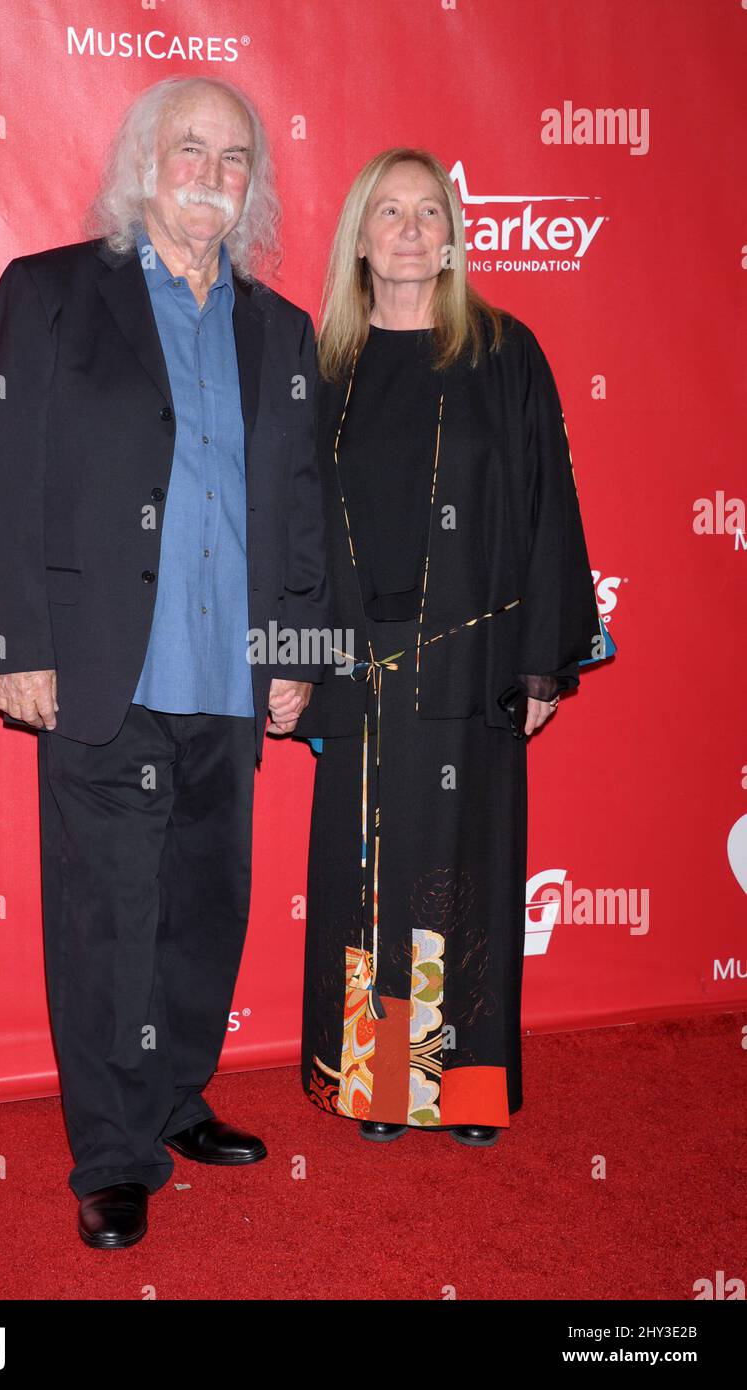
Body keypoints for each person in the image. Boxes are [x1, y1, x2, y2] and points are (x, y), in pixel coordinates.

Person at [0, 76, 329, 1247]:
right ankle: (112, 1154)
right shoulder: (51, 294)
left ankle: (175, 1100)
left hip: (230, 679)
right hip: (102, 671)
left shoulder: (278, 329)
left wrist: (297, 649)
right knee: (108, 918)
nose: (213, 172)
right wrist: (16, 644)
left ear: (252, 185)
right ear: (143, 159)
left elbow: (301, 503)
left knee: (201, 912)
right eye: (191, 147)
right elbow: (4, 473)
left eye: (235, 157)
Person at [293, 148, 601, 1148]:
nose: (412, 229)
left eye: (430, 211)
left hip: (469, 657)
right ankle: (383, 1082)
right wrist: (288, 656)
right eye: (390, 210)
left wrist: (539, 661)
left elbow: (547, 509)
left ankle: (463, 1084)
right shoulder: (323, 368)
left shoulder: (504, 354)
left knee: (460, 873)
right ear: (360, 235)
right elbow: (289, 529)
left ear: (453, 234)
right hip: (355, 668)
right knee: (365, 877)